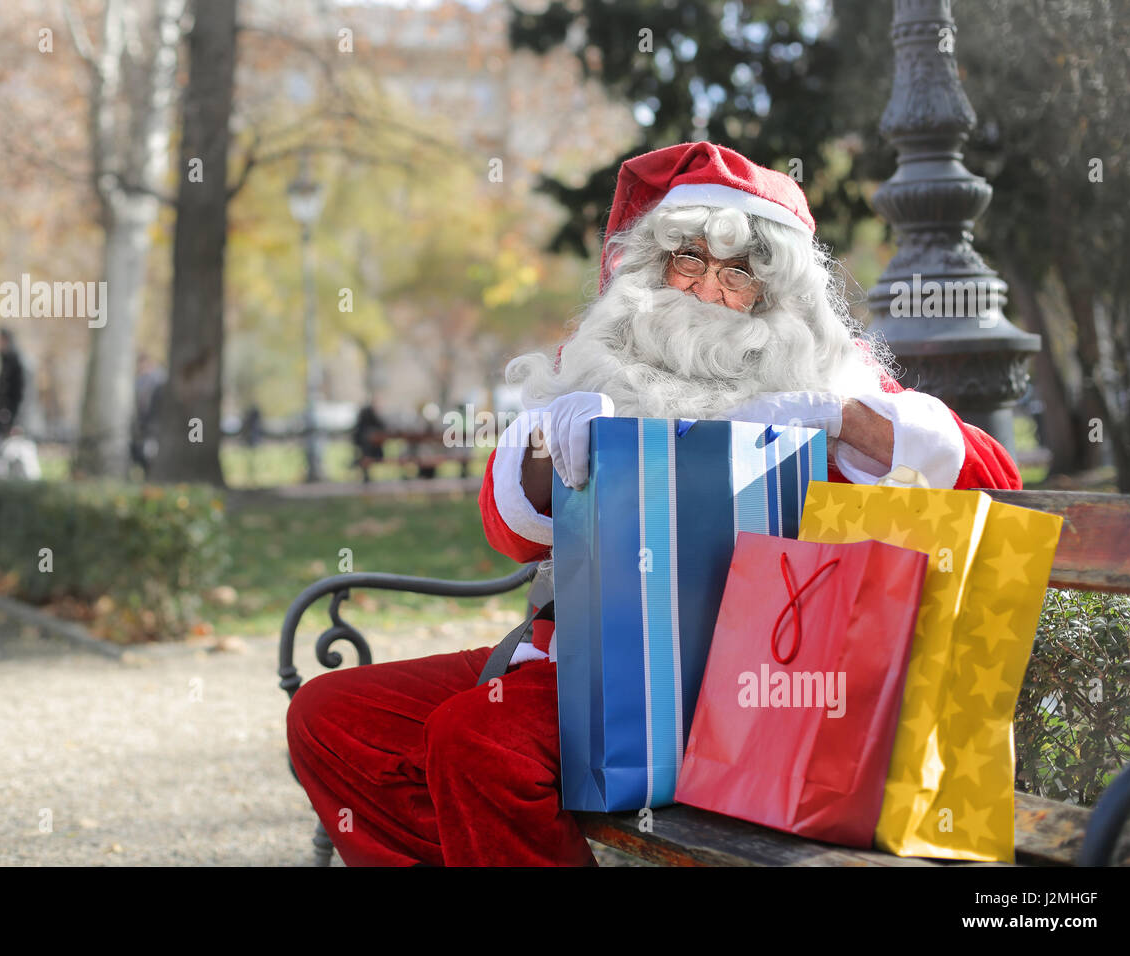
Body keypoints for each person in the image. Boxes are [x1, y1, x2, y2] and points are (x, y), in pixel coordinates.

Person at [286, 142, 1023, 867]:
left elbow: (997, 486)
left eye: (739, 273)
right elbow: (506, 533)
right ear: (653, 269)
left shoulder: (832, 378)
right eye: (690, 260)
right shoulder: (598, 366)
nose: (708, 290)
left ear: (778, 295)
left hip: (753, 690)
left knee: (477, 741)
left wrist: (842, 420)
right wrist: (550, 440)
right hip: (588, 662)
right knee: (330, 718)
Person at [130, 353, 166, 476]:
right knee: (142, 452)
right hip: (145, 424)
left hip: (155, 425)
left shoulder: (159, 379)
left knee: (150, 452)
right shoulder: (139, 381)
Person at [0, 327, 24, 438]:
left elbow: (18, 394)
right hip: (2, 421)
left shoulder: (14, 363)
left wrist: (15, 422)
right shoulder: (4, 361)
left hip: (11, 422)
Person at [351, 399, 387, 483]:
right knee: (367, 455)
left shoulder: (364, 418)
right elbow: (381, 425)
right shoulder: (370, 417)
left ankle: (360, 466)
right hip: (367, 446)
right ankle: (362, 468)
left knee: (365, 455)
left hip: (365, 445)